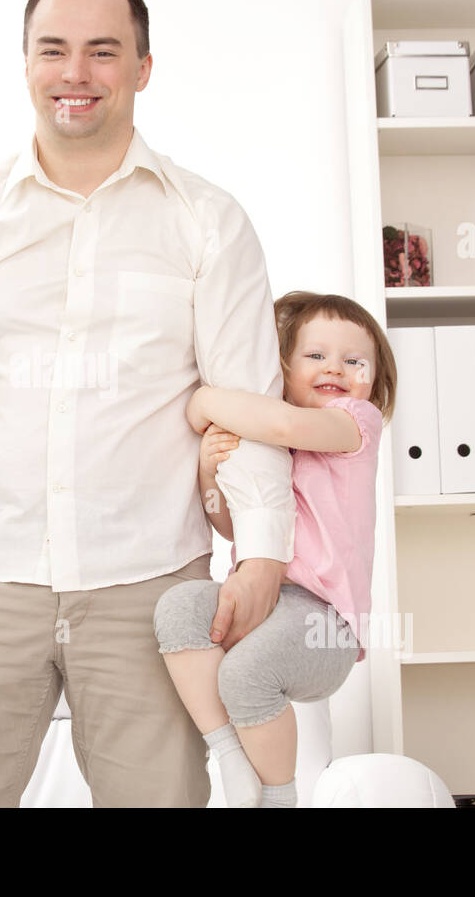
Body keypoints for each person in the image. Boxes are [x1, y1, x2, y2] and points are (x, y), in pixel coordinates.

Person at [0, 0, 296, 807]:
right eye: (55, 50)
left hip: (152, 579)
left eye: (102, 52)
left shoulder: (208, 220)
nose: (75, 73)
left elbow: (246, 395)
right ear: (27, 64)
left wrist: (260, 554)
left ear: (143, 68)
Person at [155, 291, 398, 807]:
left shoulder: (355, 422)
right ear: (282, 368)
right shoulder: (267, 444)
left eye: (355, 362)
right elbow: (226, 523)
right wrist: (206, 469)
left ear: (374, 383)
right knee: (178, 609)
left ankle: (279, 798)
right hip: (267, 606)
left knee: (245, 675)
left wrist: (201, 401)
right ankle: (229, 756)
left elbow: (286, 423)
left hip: (325, 621)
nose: (335, 368)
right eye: (315, 356)